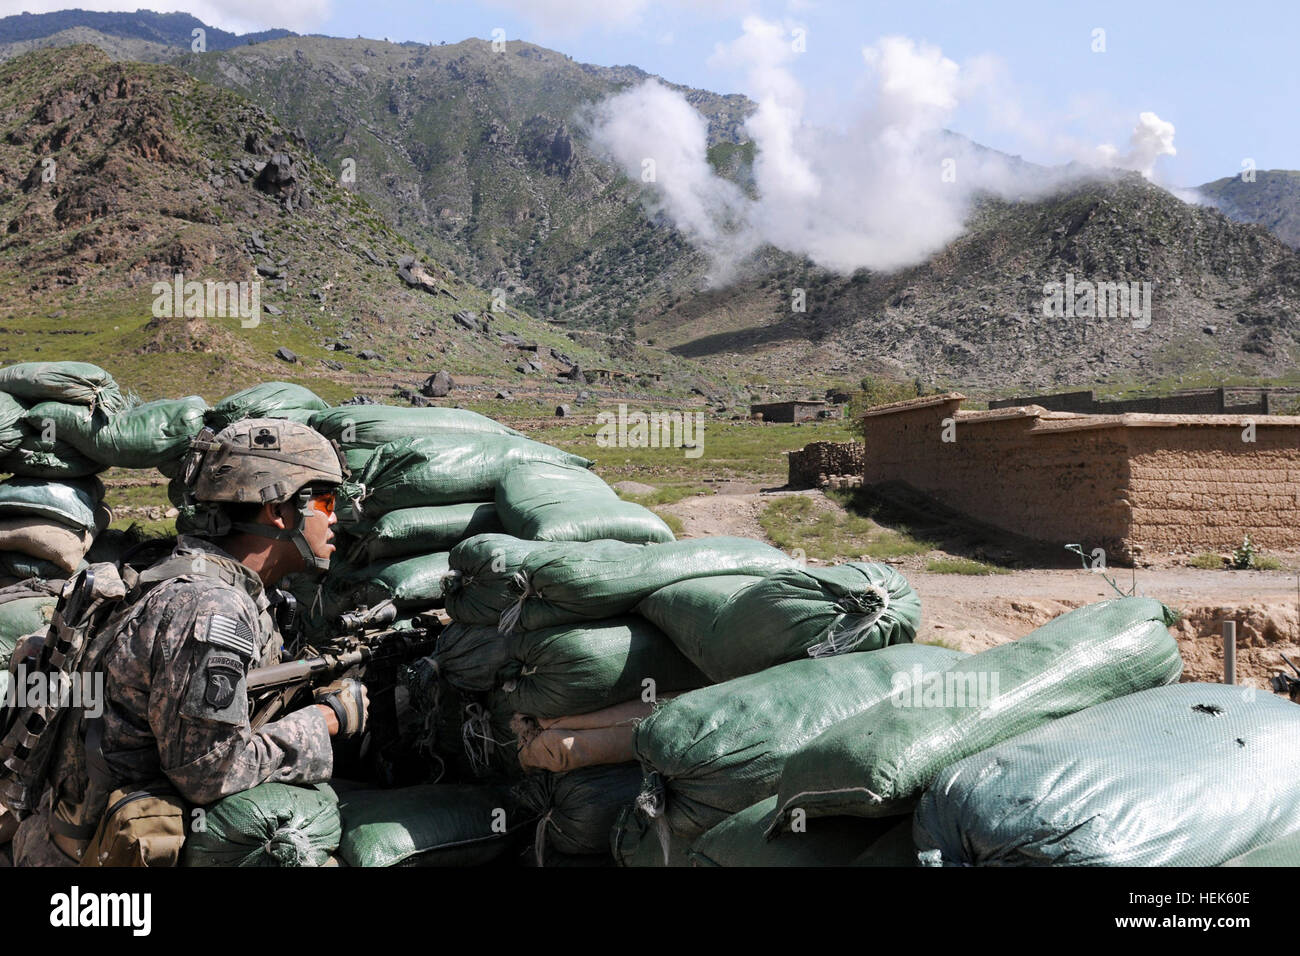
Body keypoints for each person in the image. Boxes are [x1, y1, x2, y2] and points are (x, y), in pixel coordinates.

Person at [12, 418, 368, 866]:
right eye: (325, 501)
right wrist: (325, 721)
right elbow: (210, 772)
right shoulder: (211, 605)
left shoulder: (174, 571)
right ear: (279, 510)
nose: (334, 518)